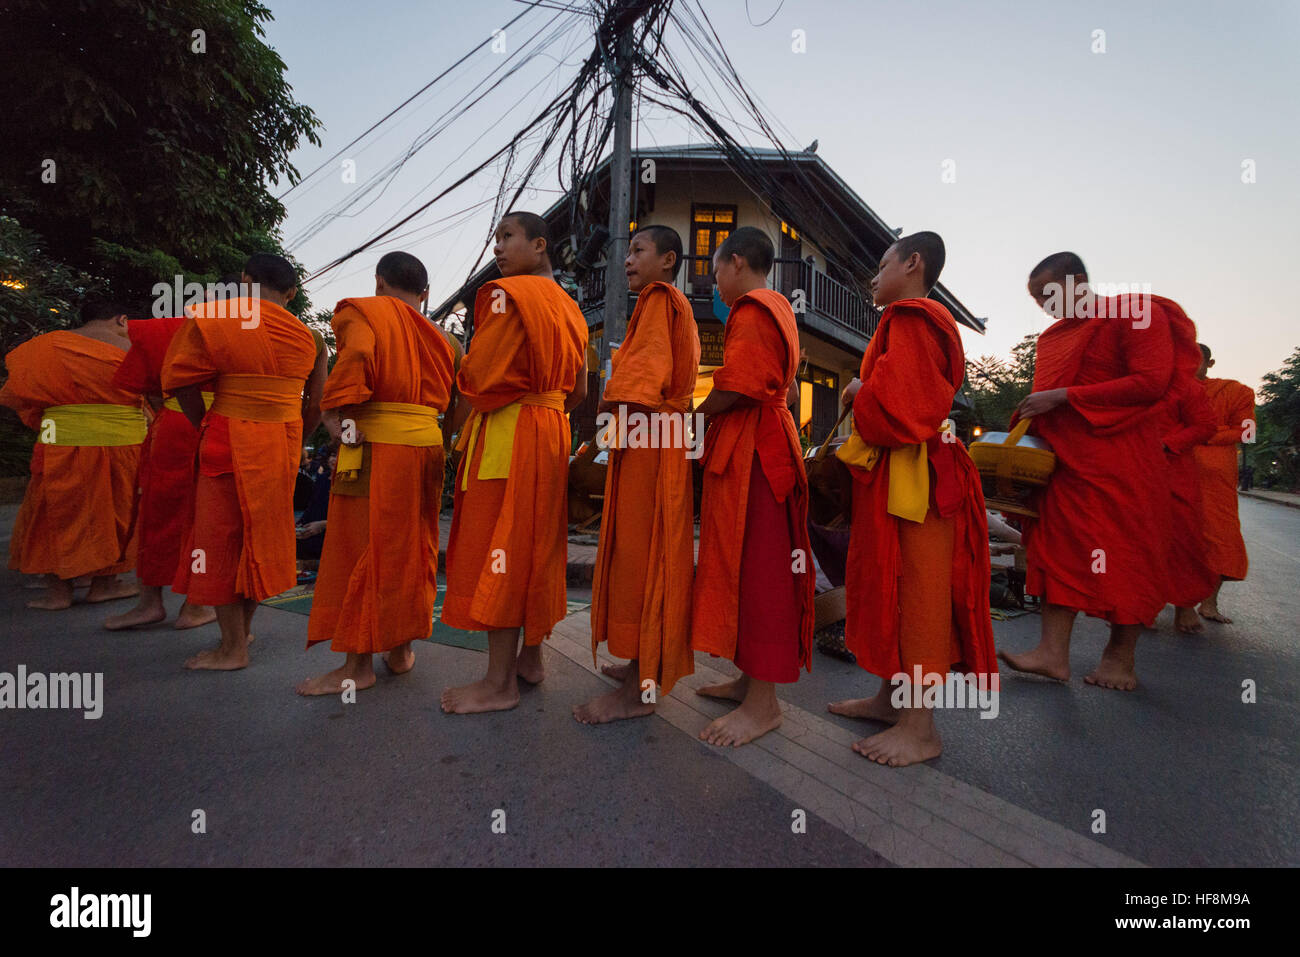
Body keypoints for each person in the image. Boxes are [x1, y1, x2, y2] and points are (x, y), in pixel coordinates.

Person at [827, 232, 997, 766]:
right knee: (890, 585)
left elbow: (904, 411)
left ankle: (921, 727)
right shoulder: (903, 321)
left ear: (914, 263)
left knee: (921, 595)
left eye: (881, 265)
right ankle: (889, 698)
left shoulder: (915, 319)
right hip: (904, 473)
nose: (873, 277)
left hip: (921, 480)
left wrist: (859, 392)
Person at [999, 252, 1175, 691]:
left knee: (1127, 556)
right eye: (1037, 299)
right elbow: (1050, 396)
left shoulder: (1135, 315)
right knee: (1059, 552)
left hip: (1122, 461)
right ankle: (1051, 654)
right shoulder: (1053, 338)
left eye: (1047, 294)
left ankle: (1120, 659)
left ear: (1077, 281)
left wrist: (1063, 396)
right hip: (1065, 465)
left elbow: (1152, 381)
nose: (1044, 306)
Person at [439, 212, 588, 713]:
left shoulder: (510, 298)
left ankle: (498, 684)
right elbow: (581, 390)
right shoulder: (571, 308)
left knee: (498, 546)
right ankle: (531, 660)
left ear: (540, 245)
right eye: (495, 239)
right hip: (550, 431)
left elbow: (478, 376)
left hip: (509, 432)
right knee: (534, 549)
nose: (497, 249)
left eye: (507, 238)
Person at [297, 251, 457, 695]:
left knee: (362, 546)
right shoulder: (443, 339)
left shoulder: (362, 311)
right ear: (424, 294)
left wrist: (335, 417)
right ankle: (401, 649)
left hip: (378, 445)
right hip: (426, 446)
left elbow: (360, 357)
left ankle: (356, 666)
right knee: (412, 547)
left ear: (379, 283)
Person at [161, 253, 318, 670]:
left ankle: (232, 648)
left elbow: (180, 381)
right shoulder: (309, 336)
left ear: (245, 279)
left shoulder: (215, 317)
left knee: (220, 540)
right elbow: (317, 402)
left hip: (228, 435)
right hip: (281, 441)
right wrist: (296, 431)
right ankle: (242, 633)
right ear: (292, 293)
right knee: (259, 538)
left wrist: (204, 422)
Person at [690, 226, 815, 747]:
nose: (714, 281)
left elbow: (741, 382)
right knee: (743, 565)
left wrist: (694, 414)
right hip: (763, 442)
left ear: (736, 262)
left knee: (762, 571)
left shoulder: (753, 307)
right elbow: (782, 386)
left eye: (716, 268)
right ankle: (749, 680)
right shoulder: (780, 307)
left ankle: (765, 705)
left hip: (758, 453)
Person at [576, 225, 700, 724]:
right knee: (644, 554)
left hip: (650, 441)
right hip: (660, 440)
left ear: (667, 259)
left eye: (637, 251)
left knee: (639, 557)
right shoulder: (676, 306)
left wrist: (607, 418)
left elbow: (640, 380)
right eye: (626, 253)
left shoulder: (657, 297)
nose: (627, 261)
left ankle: (640, 688)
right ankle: (637, 666)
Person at [1, 300, 146, 609]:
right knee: (117, 512)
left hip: (61, 443)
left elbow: (21, 399)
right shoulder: (128, 349)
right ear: (122, 319)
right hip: (121, 444)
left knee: (56, 511)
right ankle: (104, 585)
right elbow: (153, 396)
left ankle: (57, 593)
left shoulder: (44, 346)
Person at [103, 312, 216, 630]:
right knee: (209, 515)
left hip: (175, 422)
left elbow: (143, 383)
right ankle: (195, 605)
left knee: (158, 511)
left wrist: (172, 401)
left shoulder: (167, 328)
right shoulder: (252, 328)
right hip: (222, 422)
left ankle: (149, 603)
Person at [1156, 305, 1217, 634]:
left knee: (1184, 543)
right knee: (1139, 543)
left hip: (1176, 474)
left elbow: (1205, 425)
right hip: (1138, 473)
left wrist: (1168, 444)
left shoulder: (1188, 388)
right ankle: (1141, 606)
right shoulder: (1137, 382)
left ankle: (1185, 606)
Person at [1193, 344, 1255, 623]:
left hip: (1216, 476)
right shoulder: (1167, 391)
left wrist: (1206, 433)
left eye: (1196, 360)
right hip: (1172, 469)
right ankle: (1150, 604)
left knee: (1220, 538)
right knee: (1164, 537)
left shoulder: (1237, 391)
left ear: (1211, 363)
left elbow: (1248, 432)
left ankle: (1208, 603)